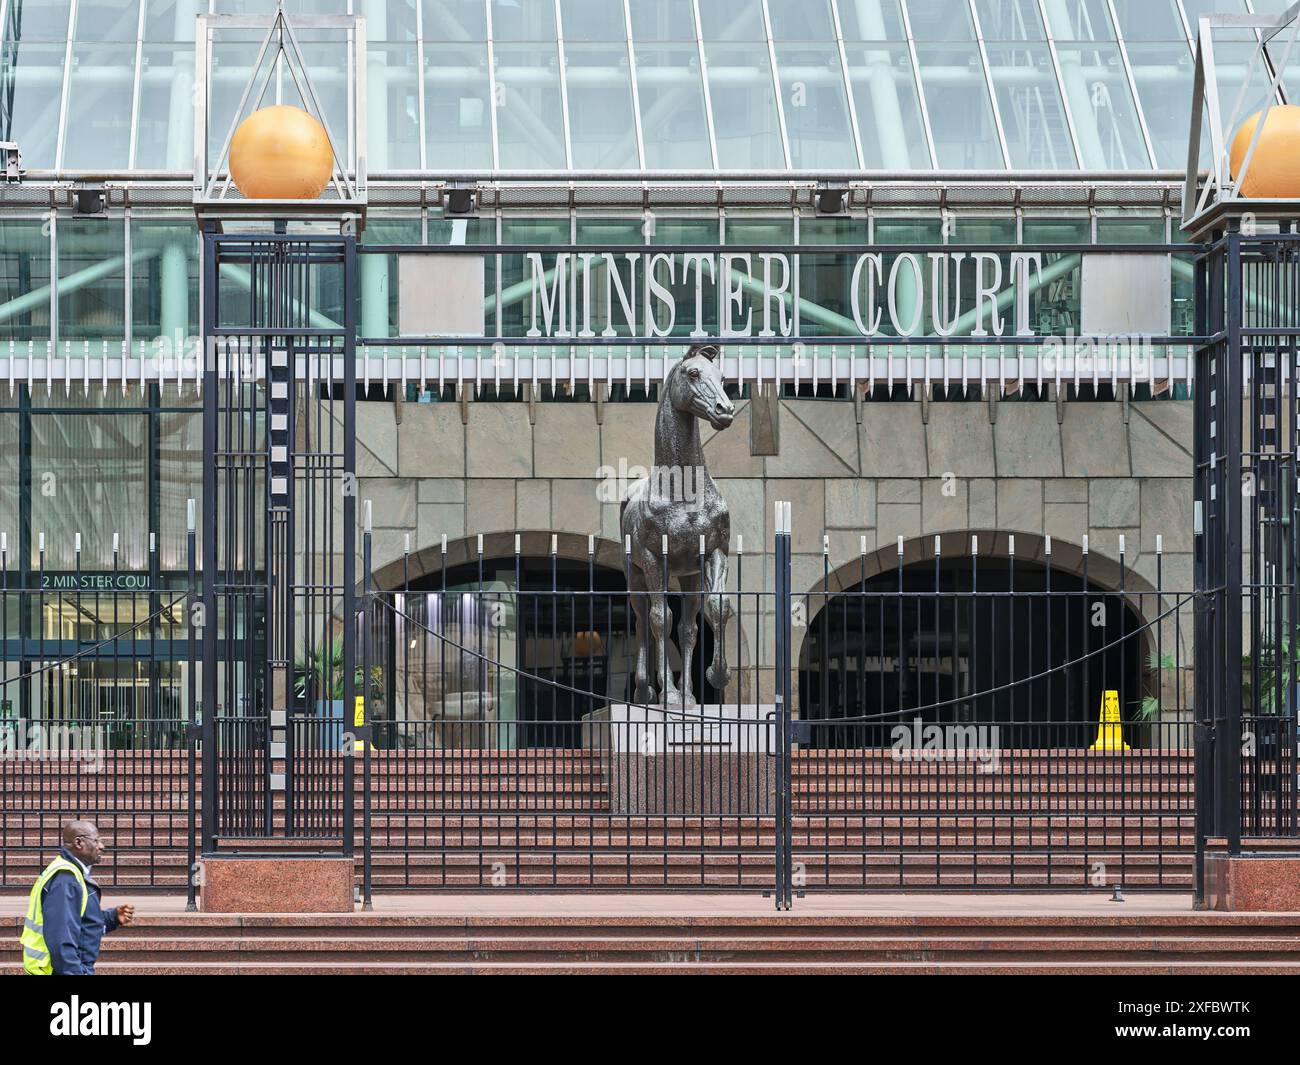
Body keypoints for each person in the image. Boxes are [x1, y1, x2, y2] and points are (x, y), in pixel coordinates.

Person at [20, 820, 136, 975]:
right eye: (96, 840)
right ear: (79, 843)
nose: (101, 846)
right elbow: (61, 940)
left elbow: (77, 923)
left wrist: (111, 918)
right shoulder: (67, 880)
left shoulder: (70, 873)